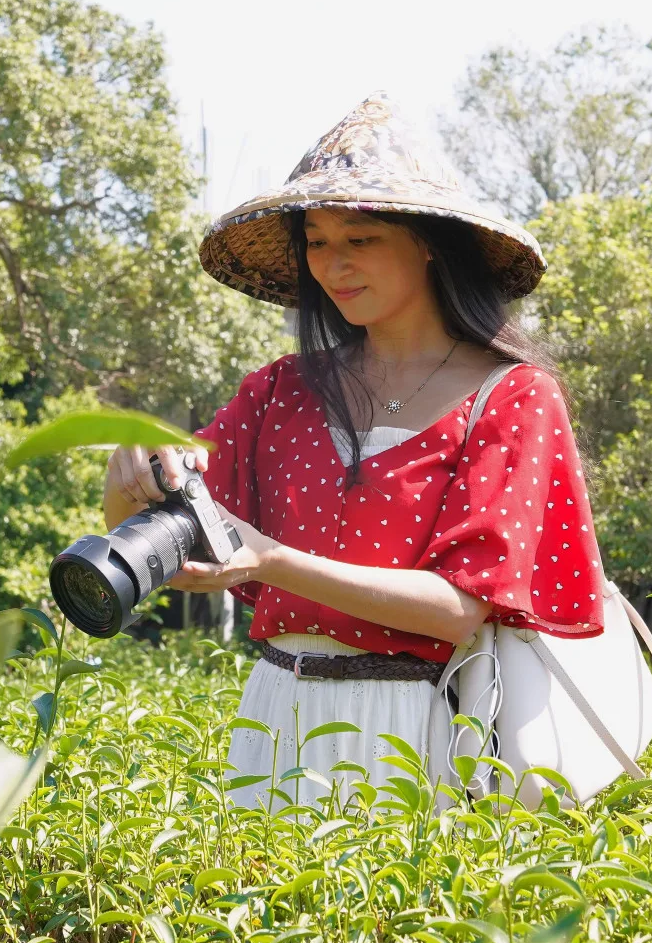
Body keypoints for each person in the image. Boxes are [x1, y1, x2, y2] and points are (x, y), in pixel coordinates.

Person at [102, 93, 606, 807]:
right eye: (316, 241)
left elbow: (460, 608)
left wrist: (272, 560)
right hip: (274, 714)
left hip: (416, 725)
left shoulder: (513, 396)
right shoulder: (280, 390)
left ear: (428, 241)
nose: (333, 265)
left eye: (360, 239)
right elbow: (172, 536)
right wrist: (130, 478)